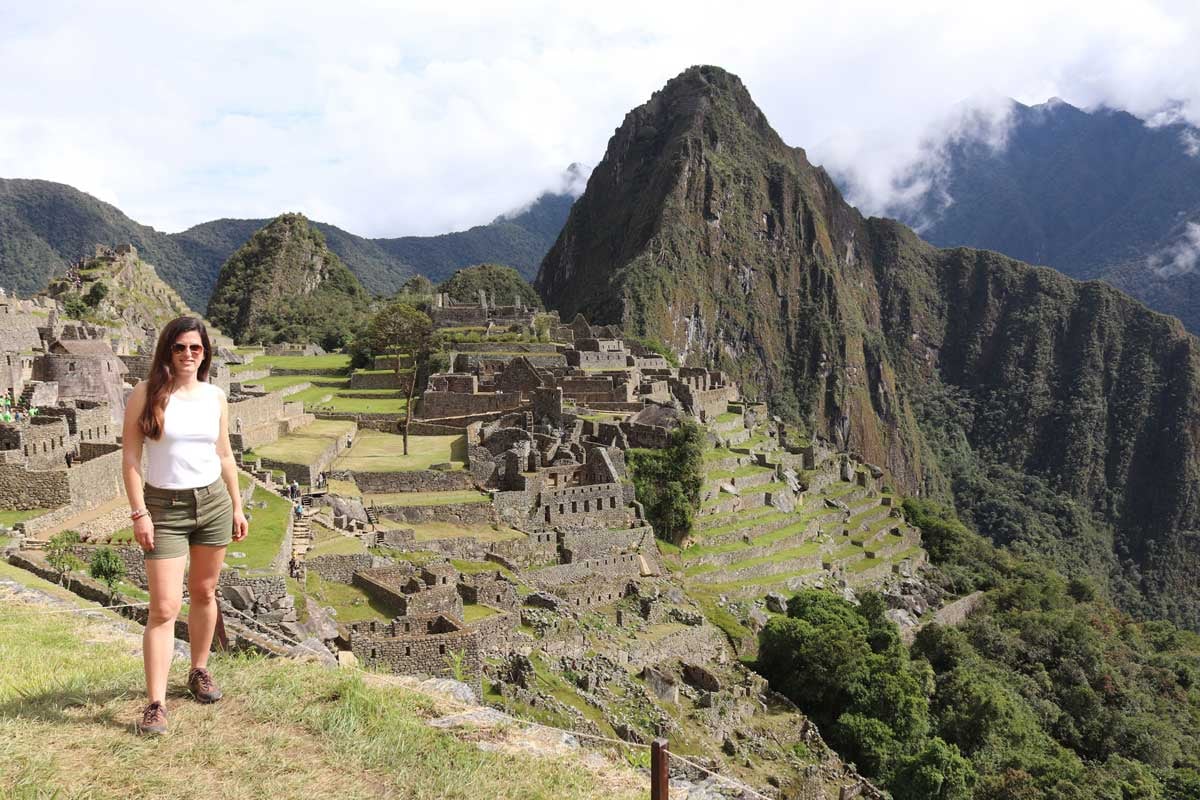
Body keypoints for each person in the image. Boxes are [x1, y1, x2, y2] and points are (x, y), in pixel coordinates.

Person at [121, 316, 248, 735]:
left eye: (196, 348)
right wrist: (139, 512)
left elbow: (225, 454)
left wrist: (236, 505)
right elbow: (132, 458)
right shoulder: (147, 394)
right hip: (165, 507)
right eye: (180, 348)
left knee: (205, 591)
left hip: (212, 501)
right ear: (167, 351)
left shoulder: (215, 396)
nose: (188, 355)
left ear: (205, 352)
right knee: (163, 608)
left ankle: (199, 669)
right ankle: (155, 702)